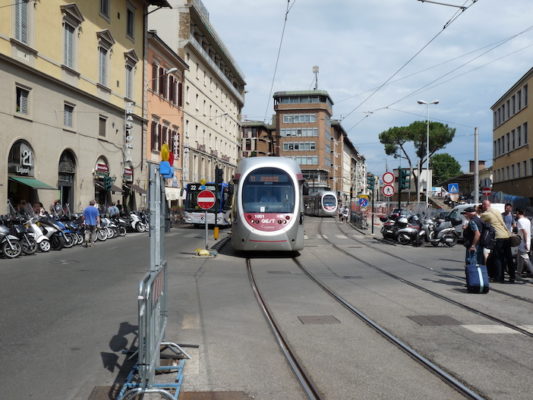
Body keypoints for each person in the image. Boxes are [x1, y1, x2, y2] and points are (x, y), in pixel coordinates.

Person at [481, 200, 514, 283]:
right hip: (506, 235)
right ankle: (512, 277)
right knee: (508, 257)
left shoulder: (485, 214)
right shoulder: (496, 211)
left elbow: (480, 222)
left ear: (484, 206)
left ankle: (499, 277)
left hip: (498, 237)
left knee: (498, 258)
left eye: (482, 205)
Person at [515, 209, 533, 277]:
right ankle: (518, 273)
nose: (515, 215)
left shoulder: (520, 221)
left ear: (518, 213)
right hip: (526, 241)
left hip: (523, 243)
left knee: (526, 260)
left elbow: (524, 232)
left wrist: (525, 243)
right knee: (520, 259)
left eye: (516, 213)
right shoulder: (527, 220)